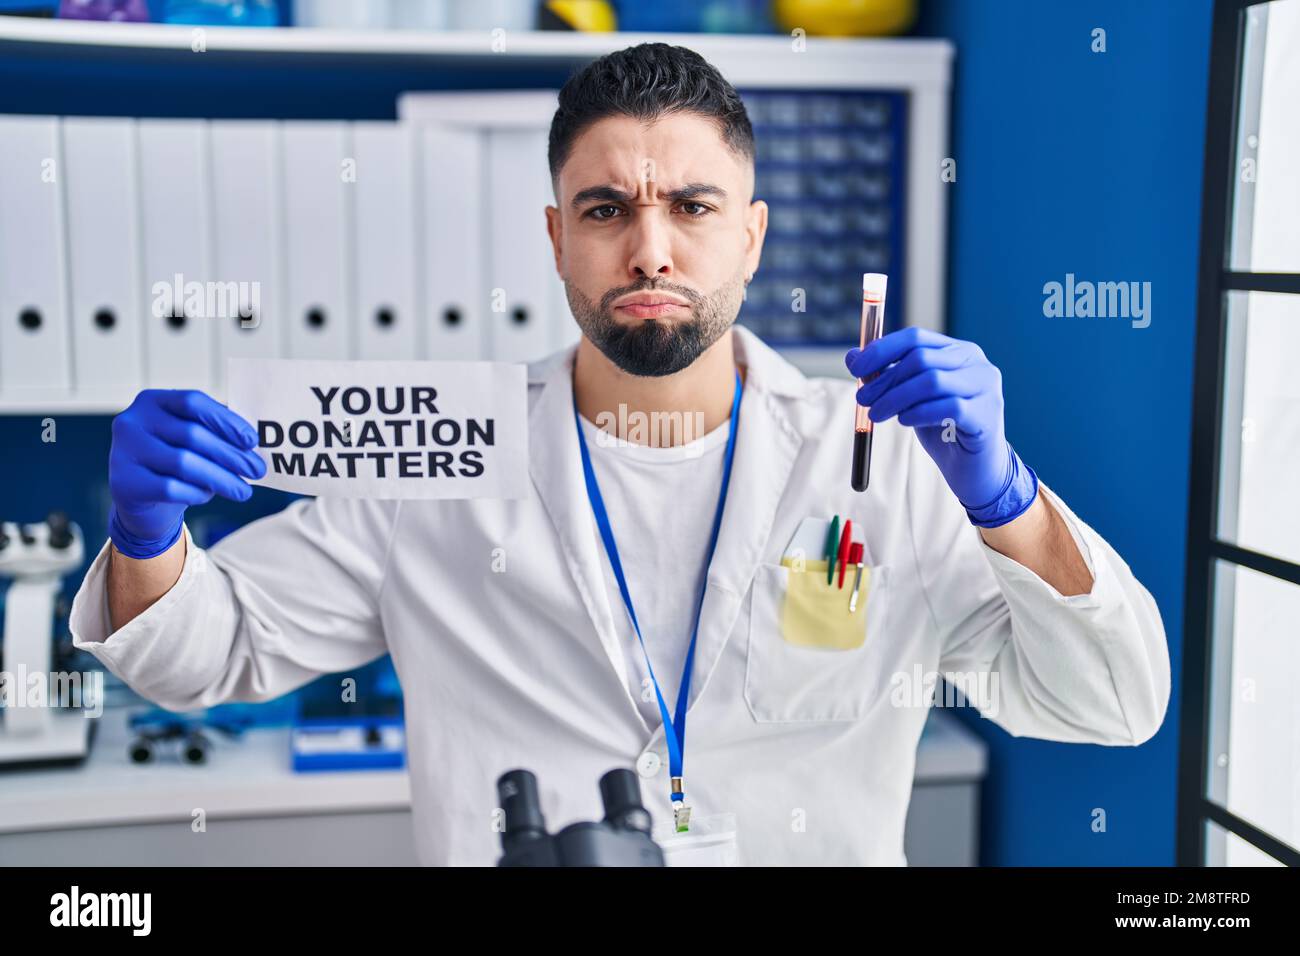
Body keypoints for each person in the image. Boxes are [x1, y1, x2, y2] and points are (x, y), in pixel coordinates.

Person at [71, 43, 1170, 866]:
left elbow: (1114, 701)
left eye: (693, 205)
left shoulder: (878, 462)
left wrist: (1007, 498)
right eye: (606, 208)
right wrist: (145, 531)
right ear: (557, 237)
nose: (649, 246)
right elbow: (201, 655)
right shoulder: (443, 453)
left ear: (752, 232)